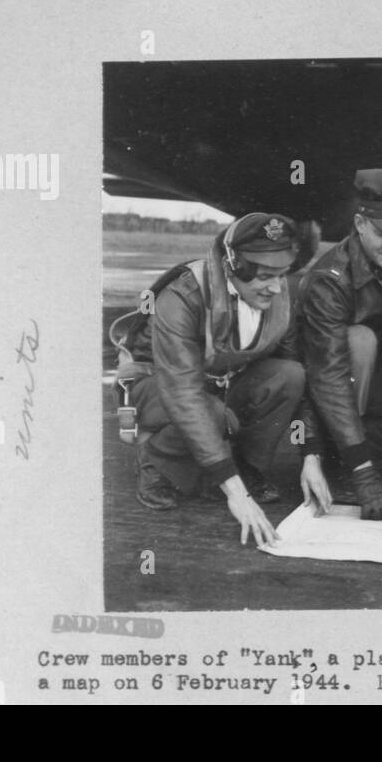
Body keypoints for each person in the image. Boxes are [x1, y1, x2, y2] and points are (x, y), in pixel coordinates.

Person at [115, 213, 329, 547]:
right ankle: (155, 462)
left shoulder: (279, 294)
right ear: (235, 267)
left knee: (289, 376)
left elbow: (295, 375)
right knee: (210, 413)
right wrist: (235, 493)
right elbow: (184, 396)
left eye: (282, 274)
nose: (276, 286)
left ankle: (246, 465)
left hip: (219, 382)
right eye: (266, 275)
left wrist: (311, 455)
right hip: (157, 385)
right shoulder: (182, 295)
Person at [297, 169, 382, 523]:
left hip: (376, 392)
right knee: (360, 340)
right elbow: (327, 376)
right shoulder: (327, 282)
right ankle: (342, 460)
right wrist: (362, 469)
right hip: (326, 400)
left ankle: (365, 449)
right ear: (360, 223)